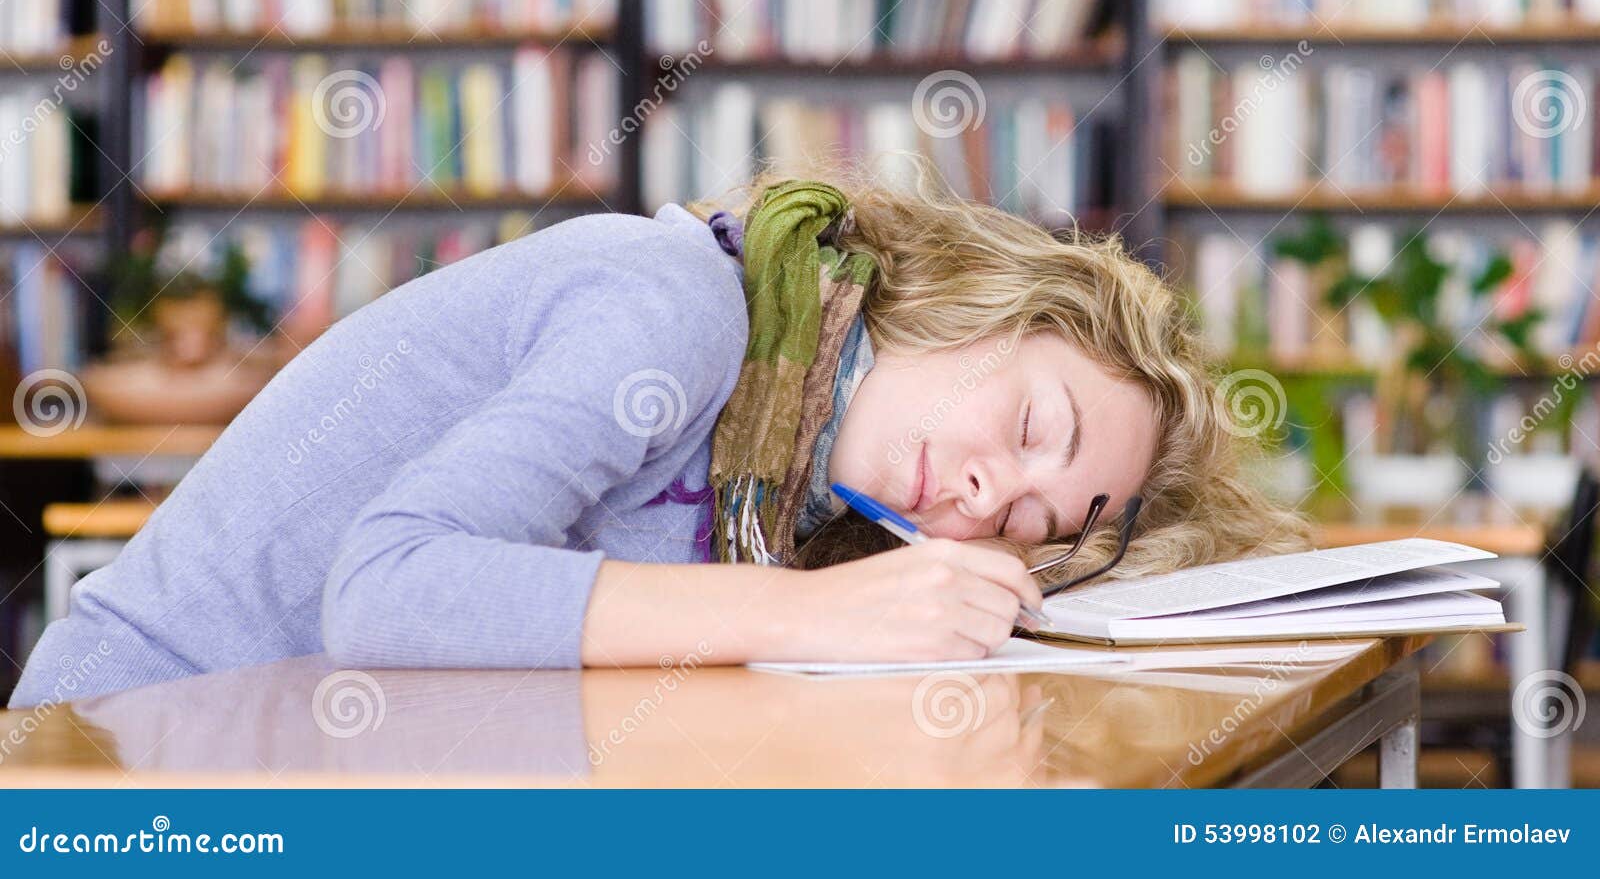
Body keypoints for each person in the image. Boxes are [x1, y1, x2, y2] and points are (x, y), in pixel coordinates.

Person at [9, 159, 1306, 707]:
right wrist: (818, 621)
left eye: (1025, 521)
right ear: (968, 302)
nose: (983, 492)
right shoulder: (675, 306)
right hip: (128, 751)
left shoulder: (785, 488)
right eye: (1031, 425)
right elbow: (390, 589)